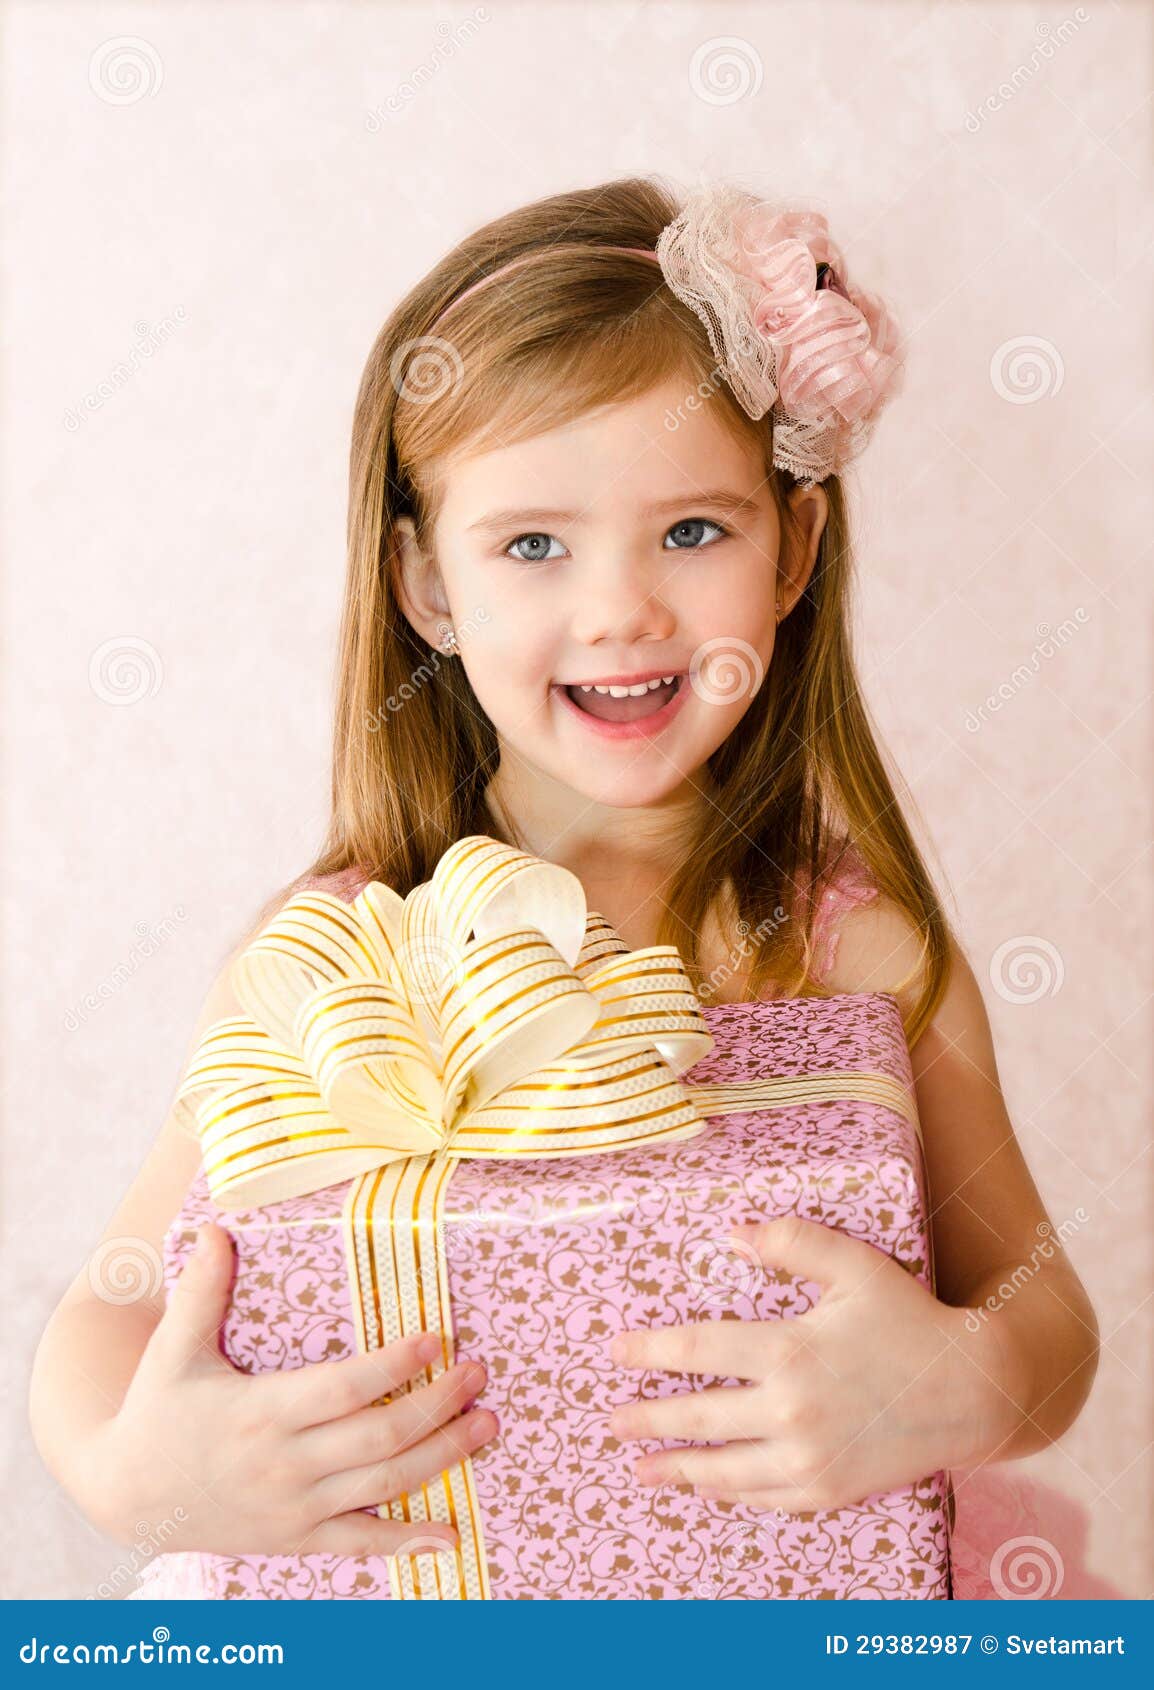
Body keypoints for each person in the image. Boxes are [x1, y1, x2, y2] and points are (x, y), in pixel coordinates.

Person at [29, 175, 1099, 1595]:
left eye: (694, 531)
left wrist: (967, 1378)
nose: (619, 608)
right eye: (533, 543)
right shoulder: (336, 954)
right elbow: (106, 1316)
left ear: (793, 548)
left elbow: (1042, 1304)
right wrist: (130, 1469)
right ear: (427, 587)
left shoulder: (856, 949)